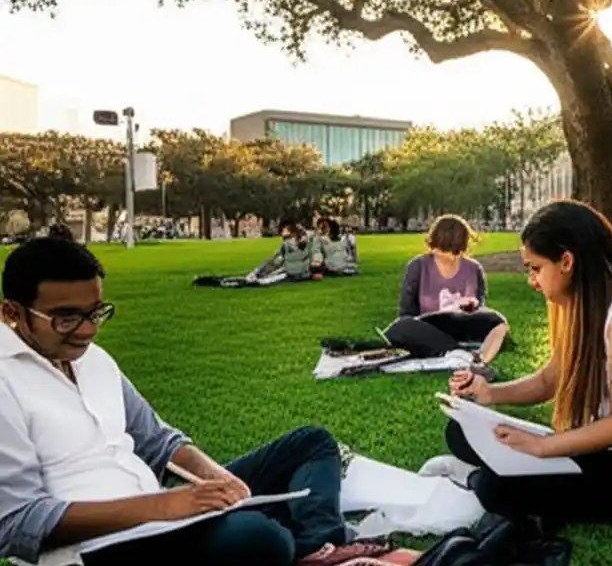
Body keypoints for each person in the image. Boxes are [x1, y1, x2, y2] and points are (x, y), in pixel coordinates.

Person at [0, 238, 391, 566]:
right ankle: (305, 544)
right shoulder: (6, 383)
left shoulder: (93, 359)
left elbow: (160, 441)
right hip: (102, 545)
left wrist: (220, 479)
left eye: (94, 313)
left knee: (312, 443)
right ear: (12, 313)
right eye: (66, 318)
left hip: (166, 513)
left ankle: (323, 547)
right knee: (260, 538)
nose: (87, 330)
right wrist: (165, 507)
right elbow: (18, 521)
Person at [421, 200, 612, 538]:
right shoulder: (585, 301)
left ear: (566, 261)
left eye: (535, 268)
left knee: (496, 489)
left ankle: (477, 480)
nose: (531, 281)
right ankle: (496, 471)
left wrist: (541, 447)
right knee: (460, 432)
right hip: (600, 447)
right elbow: (550, 380)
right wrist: (488, 392)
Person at [382, 215, 508, 377]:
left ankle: (459, 354)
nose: (448, 257)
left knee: (499, 323)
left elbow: (481, 311)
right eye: (443, 251)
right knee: (401, 327)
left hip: (464, 325)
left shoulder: (474, 268)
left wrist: (472, 306)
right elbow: (406, 313)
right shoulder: (418, 266)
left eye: (454, 252)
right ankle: (463, 354)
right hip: (428, 328)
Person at [247, 222, 313, 284]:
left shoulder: (290, 244)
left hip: (295, 274)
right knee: (274, 271)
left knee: (273, 275)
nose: (282, 232)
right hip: (300, 272)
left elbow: (275, 261)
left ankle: (258, 280)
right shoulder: (294, 243)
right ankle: (257, 278)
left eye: (284, 230)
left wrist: (258, 271)